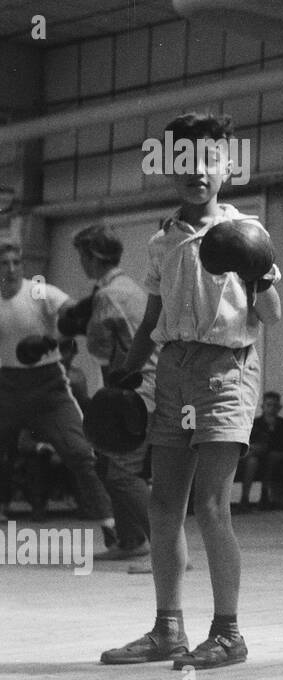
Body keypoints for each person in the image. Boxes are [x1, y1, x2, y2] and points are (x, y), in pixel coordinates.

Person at [99, 113, 282, 669]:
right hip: (172, 370)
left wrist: (261, 272)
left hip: (227, 370)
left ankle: (228, 632)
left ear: (226, 167)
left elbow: (272, 315)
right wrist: (128, 372)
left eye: (207, 160)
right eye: (185, 162)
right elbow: (154, 314)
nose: (197, 172)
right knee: (162, 504)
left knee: (210, 504)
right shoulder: (161, 241)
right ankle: (167, 629)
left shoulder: (247, 233)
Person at [0, 240, 117, 541]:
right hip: (6, 386)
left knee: (80, 453)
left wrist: (82, 310)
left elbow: (73, 314)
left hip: (48, 386)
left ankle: (111, 526)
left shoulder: (38, 292)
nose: (11, 269)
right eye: (4, 263)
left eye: (16, 262)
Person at [67, 223, 155, 566]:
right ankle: (131, 540)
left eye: (81, 256)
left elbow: (101, 352)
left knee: (122, 473)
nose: (80, 263)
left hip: (137, 391)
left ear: (91, 257)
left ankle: (169, 551)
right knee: (111, 464)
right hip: (145, 387)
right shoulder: (130, 287)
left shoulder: (107, 296)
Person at [236, 391, 283, 511]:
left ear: (279, 407)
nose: (272, 409)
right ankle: (245, 498)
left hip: (274, 456)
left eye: (275, 405)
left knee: (272, 458)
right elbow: (249, 441)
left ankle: (265, 494)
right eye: (269, 405)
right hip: (257, 455)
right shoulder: (255, 423)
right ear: (262, 407)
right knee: (252, 461)